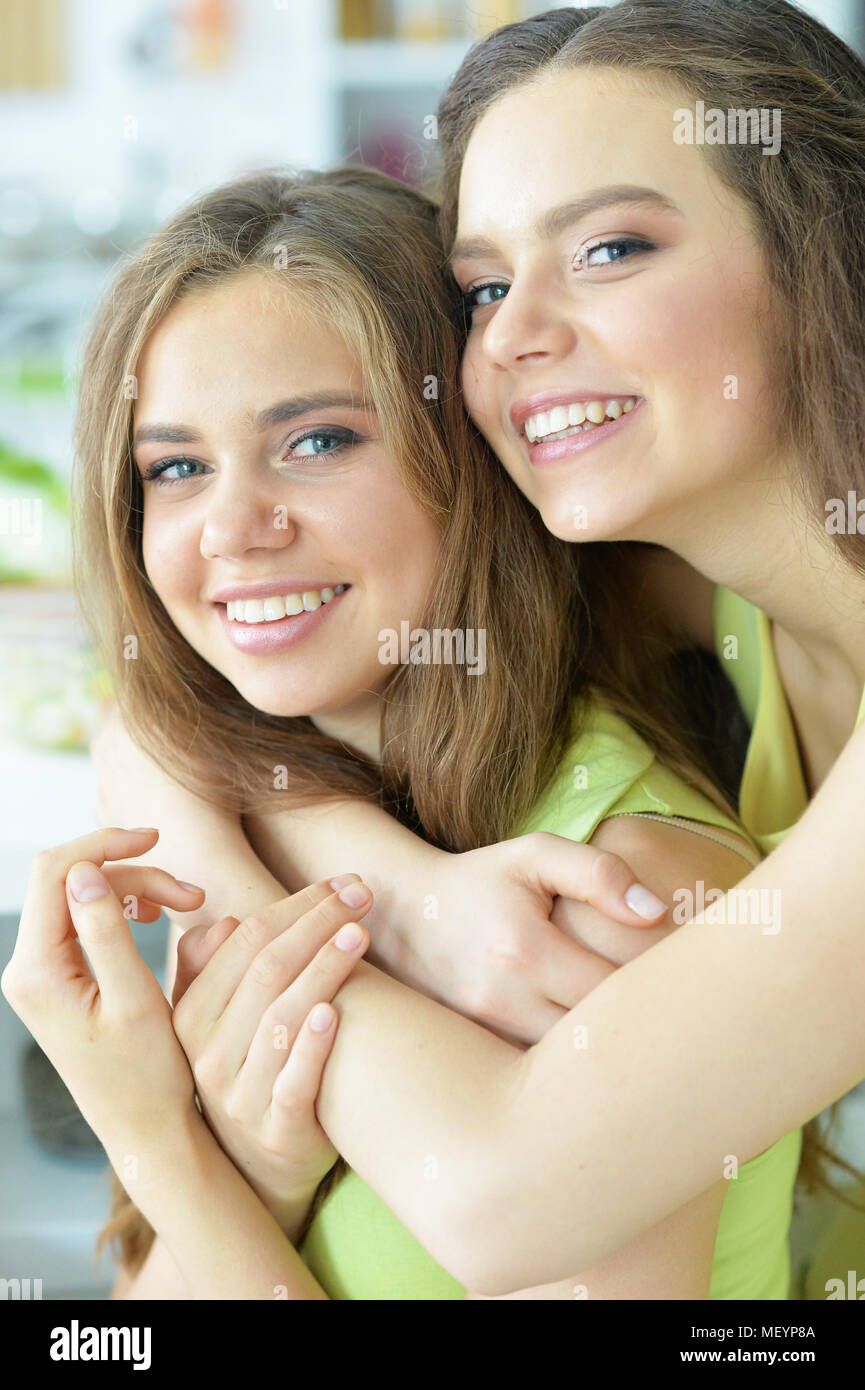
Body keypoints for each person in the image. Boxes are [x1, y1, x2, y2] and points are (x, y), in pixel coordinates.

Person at [88, 1, 865, 1297]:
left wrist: (165, 1119)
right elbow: (158, 715)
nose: (506, 338)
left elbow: (504, 1196)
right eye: (486, 286)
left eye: (611, 247)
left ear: (823, 251)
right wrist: (407, 896)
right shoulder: (701, 582)